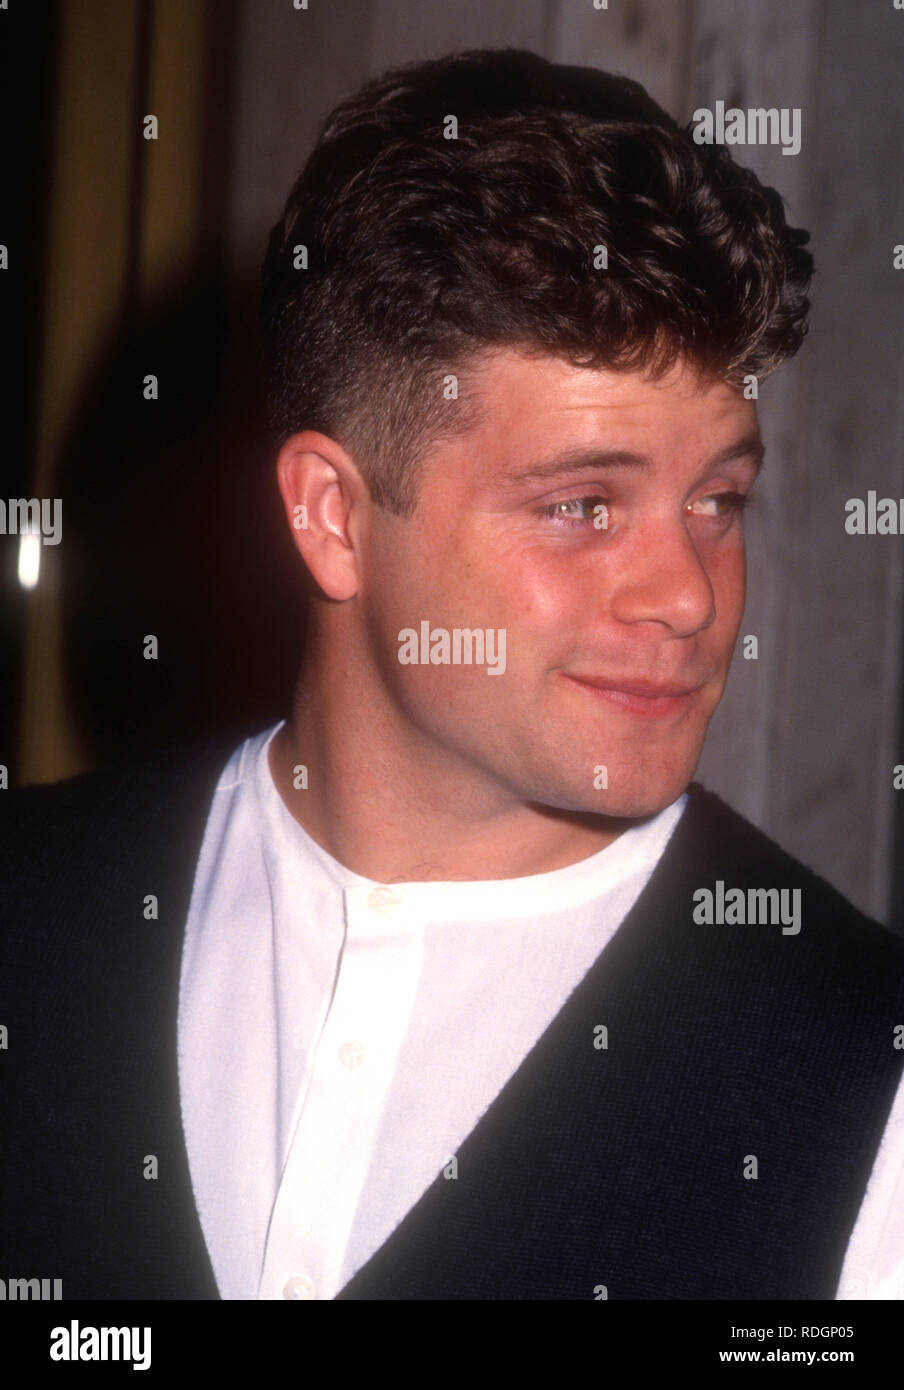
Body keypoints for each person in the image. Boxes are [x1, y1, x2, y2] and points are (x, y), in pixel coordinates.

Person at [2, 47, 902, 1302]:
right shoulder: (30, 909)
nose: (690, 594)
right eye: (584, 504)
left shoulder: (865, 1077)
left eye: (718, 499)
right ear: (331, 516)